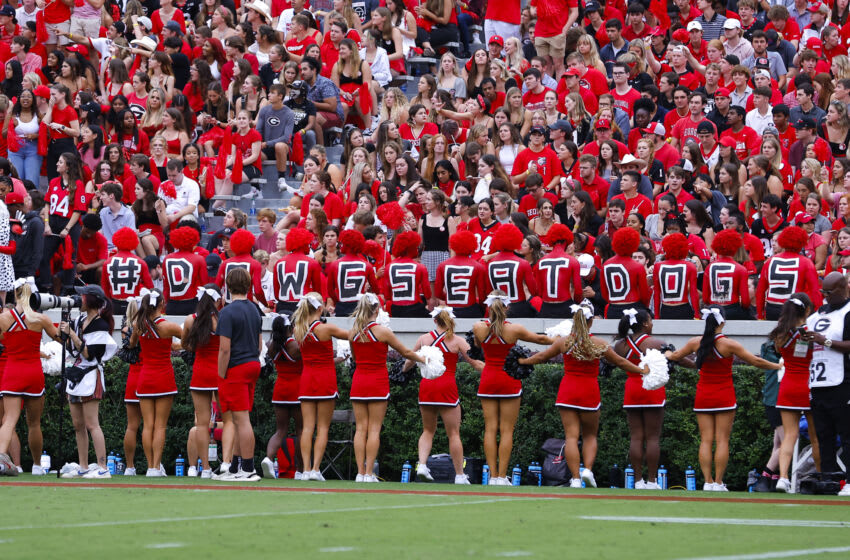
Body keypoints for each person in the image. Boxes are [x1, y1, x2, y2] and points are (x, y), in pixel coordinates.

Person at [520, 300, 647, 488]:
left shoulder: (564, 342)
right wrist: (641, 370)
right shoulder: (599, 343)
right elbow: (620, 362)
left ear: (575, 319)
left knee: (571, 437)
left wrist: (522, 362)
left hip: (568, 391)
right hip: (589, 392)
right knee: (590, 435)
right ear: (591, 321)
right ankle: (587, 470)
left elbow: (541, 357)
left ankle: (576, 479)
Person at [666, 307, 781, 491]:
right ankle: (719, 482)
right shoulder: (729, 344)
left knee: (705, 440)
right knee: (722, 440)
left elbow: (675, 356)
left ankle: (707, 482)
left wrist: (665, 353)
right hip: (724, 396)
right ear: (722, 322)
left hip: (703, 396)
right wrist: (778, 366)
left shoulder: (695, 342)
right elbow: (756, 361)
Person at [472, 290, 552, 485]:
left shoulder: (478, 327)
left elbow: (476, 346)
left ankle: (492, 477)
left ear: (489, 306)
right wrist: (561, 338)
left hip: (488, 379)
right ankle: (502, 476)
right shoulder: (514, 329)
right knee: (507, 430)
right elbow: (541, 340)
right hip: (508, 379)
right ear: (507, 307)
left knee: (490, 429)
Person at [349, 293, 424, 482]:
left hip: (359, 382)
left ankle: (360, 473)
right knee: (374, 429)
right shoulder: (383, 332)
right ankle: (368, 473)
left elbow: (355, 358)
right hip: (377, 381)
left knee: (360, 429)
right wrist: (424, 359)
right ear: (376, 309)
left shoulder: (353, 332)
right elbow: (405, 352)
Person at [404, 306, 484, 484]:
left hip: (427, 386)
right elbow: (475, 363)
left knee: (427, 430)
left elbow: (409, 362)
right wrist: (493, 370)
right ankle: (459, 475)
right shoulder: (457, 341)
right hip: (447, 386)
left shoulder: (423, 339)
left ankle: (422, 465)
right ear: (451, 320)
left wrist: (402, 371)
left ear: (434, 320)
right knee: (453, 433)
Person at [0, 281, 60, 476]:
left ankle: (0, 457)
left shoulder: (3, 318)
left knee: (9, 420)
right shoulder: (40, 319)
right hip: (33, 372)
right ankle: (36, 465)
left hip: (12, 372)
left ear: (14, 294)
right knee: (34, 423)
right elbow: (61, 338)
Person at [59, 285, 118, 479]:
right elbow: (70, 347)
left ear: (91, 300)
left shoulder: (100, 325)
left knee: (93, 424)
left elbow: (89, 354)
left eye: (82, 297)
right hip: (76, 375)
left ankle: (103, 467)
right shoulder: (79, 320)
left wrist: (72, 334)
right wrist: (65, 331)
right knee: (78, 425)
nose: (79, 300)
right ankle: (83, 466)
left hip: (91, 375)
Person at [293, 292, 350, 481]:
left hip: (307, 379)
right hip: (325, 379)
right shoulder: (326, 328)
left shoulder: (298, 329)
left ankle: (306, 469)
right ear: (319, 308)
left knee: (307, 427)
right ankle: (316, 469)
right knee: (323, 427)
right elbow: (353, 335)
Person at [213, 268, 263, 481]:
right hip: (252, 363)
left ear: (228, 286)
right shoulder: (254, 309)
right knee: (237, 418)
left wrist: (221, 374)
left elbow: (224, 349)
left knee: (241, 419)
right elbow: (259, 345)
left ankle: (248, 468)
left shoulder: (227, 312)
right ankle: (235, 467)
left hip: (236, 367)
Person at [803, 272, 850, 497]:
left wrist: (826, 341)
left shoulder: (847, 312)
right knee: (824, 436)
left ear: (843, 289)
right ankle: (829, 480)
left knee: (847, 434)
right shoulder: (816, 315)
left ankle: (849, 480)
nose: (825, 296)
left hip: (842, 381)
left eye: (828, 292)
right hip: (818, 382)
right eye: (823, 292)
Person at [768, 294, 819, 493]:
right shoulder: (809, 332)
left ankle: (783, 478)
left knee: (789, 435)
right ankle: (821, 476)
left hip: (787, 386)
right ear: (807, 310)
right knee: (815, 437)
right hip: (808, 385)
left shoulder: (781, 334)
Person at [130, 288, 182, 477]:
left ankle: (150, 466)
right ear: (161, 304)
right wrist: (176, 346)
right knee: (160, 426)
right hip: (164, 378)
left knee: (148, 425)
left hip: (145, 378)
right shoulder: (169, 326)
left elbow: (132, 344)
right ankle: (156, 466)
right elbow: (189, 342)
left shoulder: (138, 325)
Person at [180, 284, 223, 480]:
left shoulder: (191, 319)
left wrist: (199, 349)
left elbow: (184, 344)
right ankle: (228, 465)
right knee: (230, 420)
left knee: (202, 424)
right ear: (217, 300)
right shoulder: (220, 320)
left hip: (200, 373)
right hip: (219, 373)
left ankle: (205, 468)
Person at [259, 314, 303, 480]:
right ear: (289, 328)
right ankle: (300, 469)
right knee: (301, 430)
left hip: (280, 391)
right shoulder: (296, 346)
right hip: (297, 391)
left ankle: (268, 459)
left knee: (280, 430)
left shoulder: (271, 346)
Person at [533, 224, 582, 318]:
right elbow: (578, 291)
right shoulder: (573, 261)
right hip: (565, 306)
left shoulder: (540, 262)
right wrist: (576, 303)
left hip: (546, 307)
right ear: (567, 241)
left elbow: (538, 291)